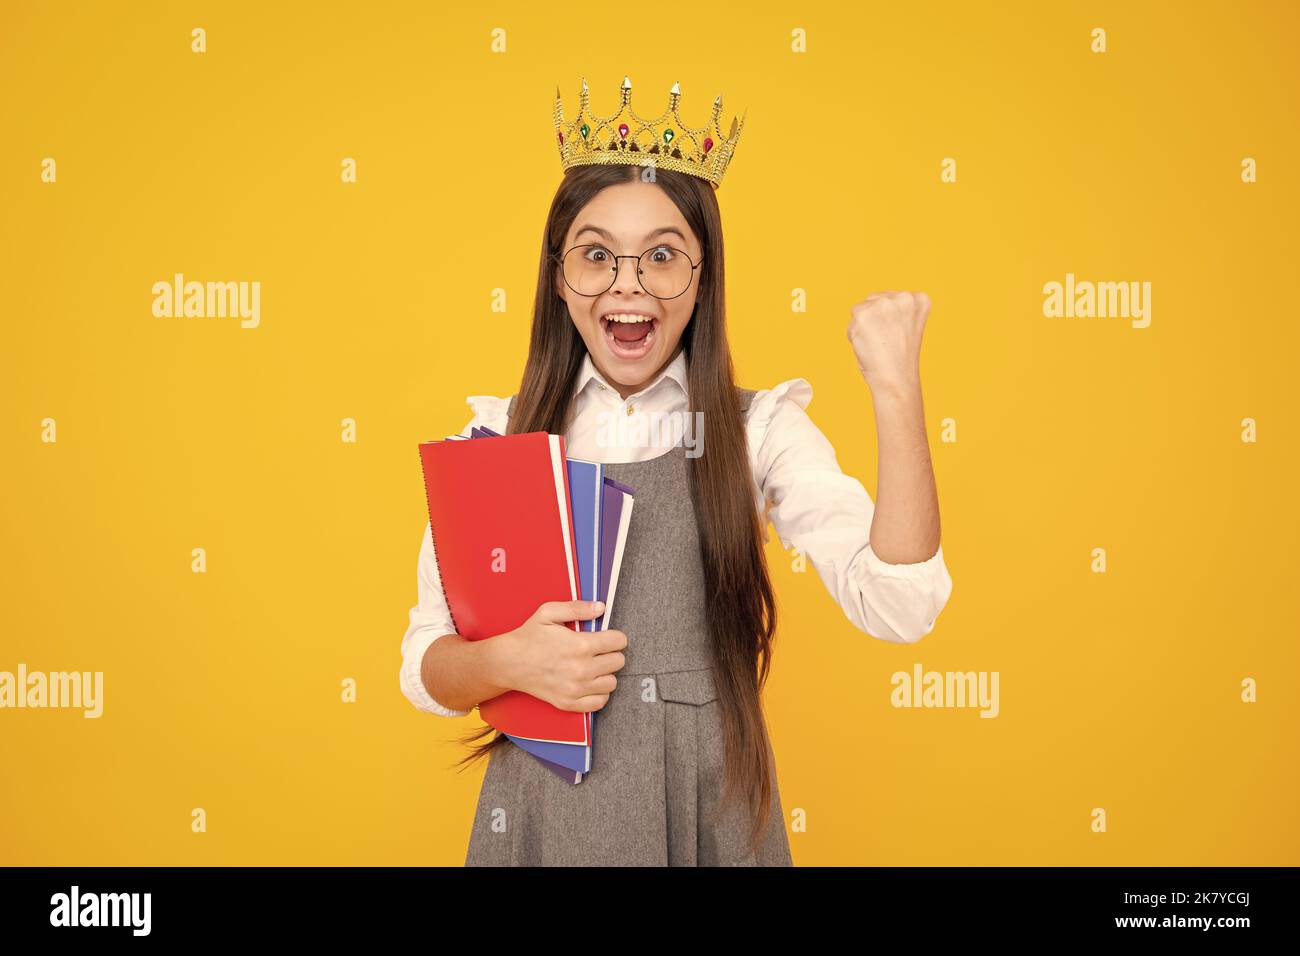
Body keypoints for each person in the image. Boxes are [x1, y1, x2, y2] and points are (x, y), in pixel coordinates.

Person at [399, 76, 953, 865]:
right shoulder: (498, 434)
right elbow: (427, 667)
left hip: (711, 818)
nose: (628, 284)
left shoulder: (755, 430)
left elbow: (898, 605)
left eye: (663, 256)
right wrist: (504, 662)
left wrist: (896, 393)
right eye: (596, 256)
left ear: (702, 277)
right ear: (559, 276)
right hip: (541, 822)